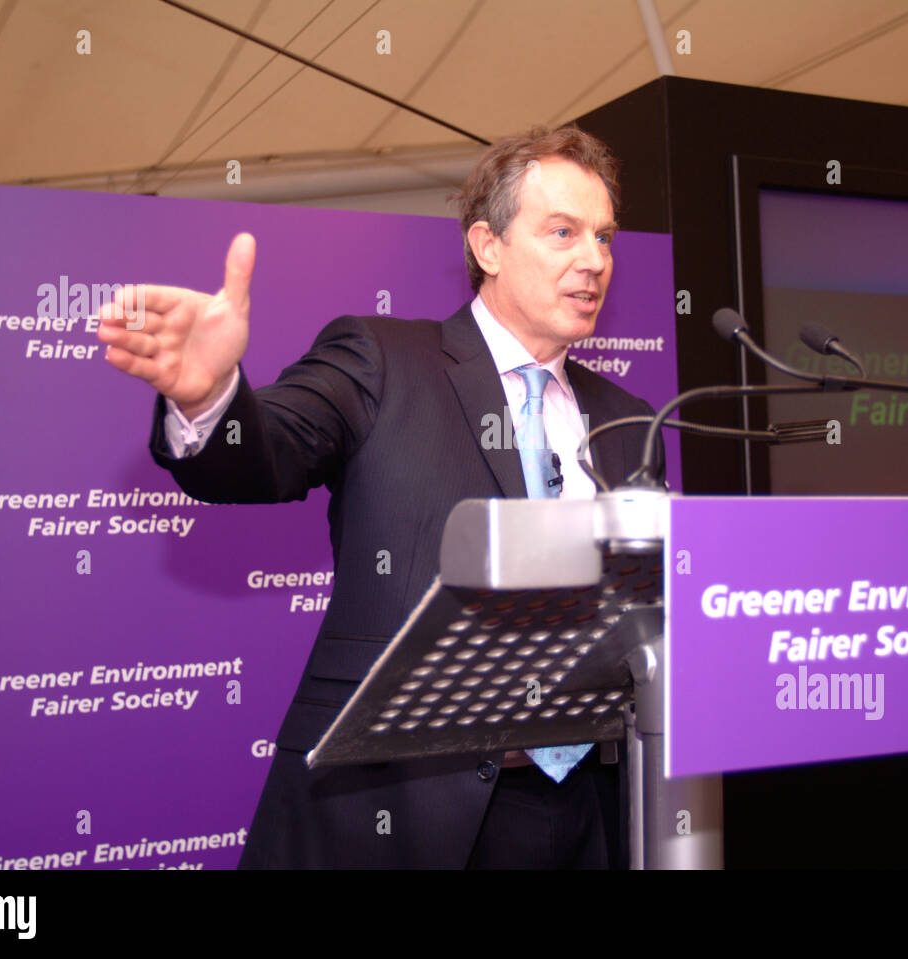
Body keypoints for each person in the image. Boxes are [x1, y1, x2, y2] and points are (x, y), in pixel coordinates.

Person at [95, 125, 659, 868]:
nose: (593, 260)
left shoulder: (630, 420)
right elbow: (265, 457)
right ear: (487, 246)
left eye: (605, 238)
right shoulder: (383, 359)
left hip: (589, 807)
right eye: (563, 232)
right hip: (402, 809)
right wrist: (211, 401)